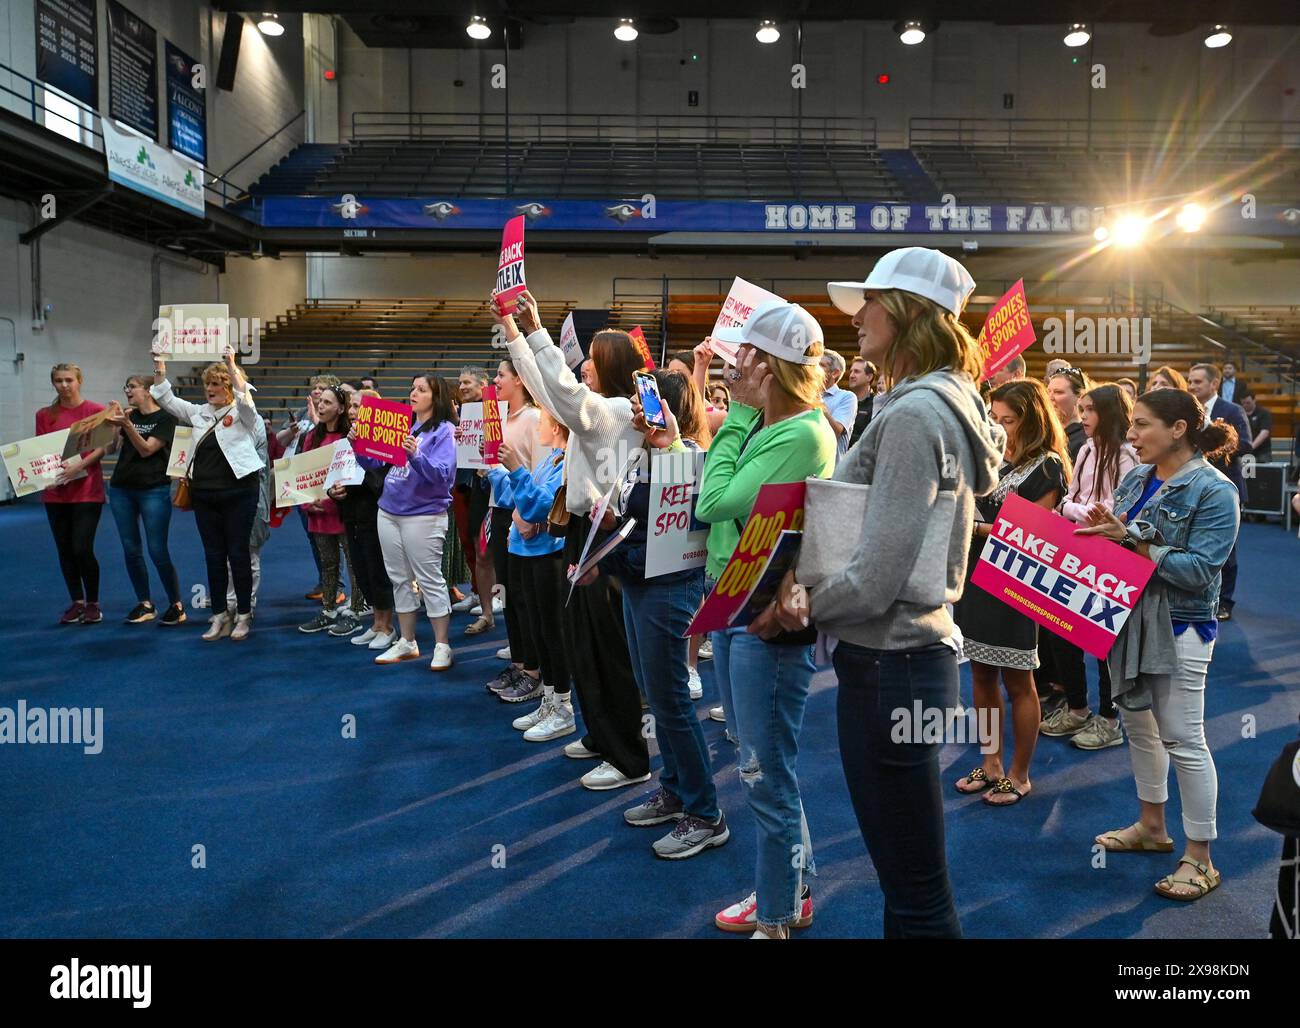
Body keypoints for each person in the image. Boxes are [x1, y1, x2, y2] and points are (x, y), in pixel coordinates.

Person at [766, 245, 1003, 938]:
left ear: (906, 312)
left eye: (872, 300)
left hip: (890, 665)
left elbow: (877, 576)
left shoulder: (910, 415)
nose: (858, 316)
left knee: (914, 893)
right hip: (909, 662)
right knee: (915, 883)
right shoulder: (943, 404)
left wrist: (795, 609)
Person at [696, 299, 836, 938]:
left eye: (743, 354)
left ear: (770, 367)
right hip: (738, 598)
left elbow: (714, 501)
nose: (733, 362)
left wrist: (735, 418)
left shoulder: (798, 431)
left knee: (762, 768)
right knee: (762, 762)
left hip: (763, 612)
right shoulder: (777, 426)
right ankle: (791, 890)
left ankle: (776, 915)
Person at [1081, 389, 1240, 902]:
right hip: (1126, 618)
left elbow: (1198, 572)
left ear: (1178, 429)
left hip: (1181, 624)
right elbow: (1117, 541)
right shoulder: (1136, 478)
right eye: (1132, 424)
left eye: (1143, 425)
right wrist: (1098, 535)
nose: (1131, 434)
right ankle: (1152, 826)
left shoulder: (1215, 490)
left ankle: (1201, 857)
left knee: (1183, 737)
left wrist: (1131, 541)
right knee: (1140, 729)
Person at [500, 290, 653, 793]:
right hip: (585, 534)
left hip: (604, 538)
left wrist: (536, 327)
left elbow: (561, 393)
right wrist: (516, 333)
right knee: (583, 643)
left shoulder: (610, 410)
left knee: (606, 649)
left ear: (612, 369)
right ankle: (601, 733)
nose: (582, 366)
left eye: (591, 361)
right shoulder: (597, 410)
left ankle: (628, 755)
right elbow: (549, 392)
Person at [600, 370, 727, 859]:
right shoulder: (648, 454)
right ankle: (677, 790)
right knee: (655, 692)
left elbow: (678, 527)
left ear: (669, 407)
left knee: (670, 699)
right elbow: (639, 525)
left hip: (668, 587)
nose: (636, 407)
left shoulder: (692, 457)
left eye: (645, 400)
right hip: (639, 582)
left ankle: (705, 812)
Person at [953, 378, 1070, 806]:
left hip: (1016, 583)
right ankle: (991, 764)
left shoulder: (1049, 466)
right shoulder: (991, 457)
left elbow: (1033, 533)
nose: (1001, 427)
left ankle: (1019, 775)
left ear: (1032, 419)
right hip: (974, 575)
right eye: (994, 418)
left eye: (1010, 419)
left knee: (1020, 680)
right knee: (981, 675)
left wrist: (971, 526)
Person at [1040, 383, 1139, 750]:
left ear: (1109, 413)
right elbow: (1070, 500)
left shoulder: (1127, 455)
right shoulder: (1084, 449)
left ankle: (1110, 719)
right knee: (1063, 632)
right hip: (1076, 549)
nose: (1082, 417)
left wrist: (1080, 511)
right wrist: (1079, 511)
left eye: (1090, 410)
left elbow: (1118, 510)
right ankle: (1078, 708)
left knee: (1102, 643)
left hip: (1110, 556)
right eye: (1081, 409)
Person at [152, 346, 263, 641]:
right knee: (213, 555)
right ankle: (218, 615)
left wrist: (231, 365)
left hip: (240, 491)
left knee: (238, 554)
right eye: (208, 385)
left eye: (217, 384)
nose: (211, 389)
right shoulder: (199, 413)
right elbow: (167, 399)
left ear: (229, 386)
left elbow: (247, 403)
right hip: (205, 493)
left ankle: (243, 615)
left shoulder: (243, 413)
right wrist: (160, 368)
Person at [356, 373, 458, 671]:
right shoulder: (406, 424)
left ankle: (442, 645)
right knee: (399, 578)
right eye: (412, 387)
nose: (413, 392)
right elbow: (375, 463)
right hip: (389, 510)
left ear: (435, 397)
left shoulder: (445, 431)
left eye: (421, 389)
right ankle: (407, 640)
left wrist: (415, 455)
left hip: (424, 514)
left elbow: (442, 477)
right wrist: (358, 446)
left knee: (429, 580)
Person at [502, 408, 577, 742]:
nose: (539, 426)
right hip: (529, 553)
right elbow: (519, 498)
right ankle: (550, 698)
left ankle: (563, 706)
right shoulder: (551, 459)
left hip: (548, 556)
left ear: (557, 427)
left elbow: (535, 505)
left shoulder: (564, 462)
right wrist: (496, 470)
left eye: (544, 421)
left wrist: (516, 470)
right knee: (538, 631)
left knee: (552, 633)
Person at [481, 360, 541, 698]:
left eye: (501, 375)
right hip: (500, 509)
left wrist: (527, 514)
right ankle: (518, 662)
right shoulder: (498, 418)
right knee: (508, 594)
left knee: (522, 596)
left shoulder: (532, 419)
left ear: (519, 379)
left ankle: (533, 668)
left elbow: (536, 472)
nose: (496, 380)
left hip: (522, 514)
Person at [105, 374, 185, 626]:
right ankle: (145, 603)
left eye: (132, 387)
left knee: (157, 549)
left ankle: (176, 605)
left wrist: (128, 425)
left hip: (153, 489)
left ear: (149, 391)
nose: (127, 391)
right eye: (126, 386)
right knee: (131, 549)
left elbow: (147, 449)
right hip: (121, 489)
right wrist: (116, 426)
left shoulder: (165, 418)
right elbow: (111, 449)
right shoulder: (129, 416)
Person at [37, 363, 108, 624]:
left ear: (80, 381)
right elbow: (41, 451)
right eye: (58, 381)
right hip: (56, 493)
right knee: (65, 549)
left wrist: (80, 464)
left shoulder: (95, 411)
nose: (64, 385)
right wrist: (44, 476)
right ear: (53, 383)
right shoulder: (45, 414)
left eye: (69, 380)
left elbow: (104, 448)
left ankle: (93, 603)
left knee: (81, 547)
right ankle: (77, 602)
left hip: (87, 490)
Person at [328, 389, 396, 651]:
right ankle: (377, 624)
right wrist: (334, 492)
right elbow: (336, 477)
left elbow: (381, 483)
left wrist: (360, 453)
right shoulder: (346, 440)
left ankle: (387, 626)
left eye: (359, 406)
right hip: (352, 515)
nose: (353, 411)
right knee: (361, 570)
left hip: (376, 515)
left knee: (377, 571)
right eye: (352, 406)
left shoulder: (383, 441)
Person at [297, 385, 366, 634]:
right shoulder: (311, 437)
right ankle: (328, 610)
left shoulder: (350, 436)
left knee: (353, 564)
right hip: (317, 512)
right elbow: (303, 475)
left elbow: (357, 474)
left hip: (344, 512)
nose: (321, 406)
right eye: (320, 402)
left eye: (327, 402)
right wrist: (307, 502)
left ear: (340, 407)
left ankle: (356, 611)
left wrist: (334, 497)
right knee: (327, 564)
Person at [1187, 363, 1250, 621]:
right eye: (1189, 381)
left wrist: (1218, 439)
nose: (1191, 386)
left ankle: (1225, 602)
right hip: (1193, 488)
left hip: (1226, 488)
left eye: (1197, 382)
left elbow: (1246, 445)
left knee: (1226, 551)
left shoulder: (1232, 410)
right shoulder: (1187, 411)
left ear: (1214, 384)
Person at [278, 373, 341, 604]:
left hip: (320, 481)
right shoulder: (301, 413)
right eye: (314, 388)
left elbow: (325, 444)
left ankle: (336, 585)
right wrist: (292, 430)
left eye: (322, 389)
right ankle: (324, 580)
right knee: (312, 534)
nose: (316, 392)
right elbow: (281, 441)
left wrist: (317, 420)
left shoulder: (331, 421)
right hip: (297, 477)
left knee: (329, 536)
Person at [451, 366, 498, 627]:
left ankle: (495, 596)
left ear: (483, 383)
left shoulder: (495, 409)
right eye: (460, 383)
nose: (463, 387)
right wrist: (461, 436)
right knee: (473, 543)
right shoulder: (463, 415)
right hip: (468, 483)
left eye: (468, 382)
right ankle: (482, 599)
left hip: (491, 485)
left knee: (491, 548)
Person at [1047, 366, 1091, 462]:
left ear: (1079, 397)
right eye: (1048, 392)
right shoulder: (1043, 433)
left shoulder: (1085, 439)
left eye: (1058, 392)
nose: (1050, 398)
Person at [819, 349, 858, 457]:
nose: (814, 369)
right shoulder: (805, 395)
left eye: (821, 365)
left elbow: (835, 431)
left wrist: (816, 401)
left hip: (830, 472)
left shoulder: (847, 397)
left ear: (835, 373)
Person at [846, 357, 877, 447]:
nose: (851, 375)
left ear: (869, 377)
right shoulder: (844, 400)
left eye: (856, 371)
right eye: (851, 371)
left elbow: (871, 439)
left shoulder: (876, 404)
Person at [1240, 391, 1273, 461]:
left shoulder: (1264, 413)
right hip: (1244, 452)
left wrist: (1251, 447)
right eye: (1243, 403)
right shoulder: (1239, 414)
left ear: (1254, 400)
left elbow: (1264, 433)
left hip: (1262, 452)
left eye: (1248, 403)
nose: (1245, 405)